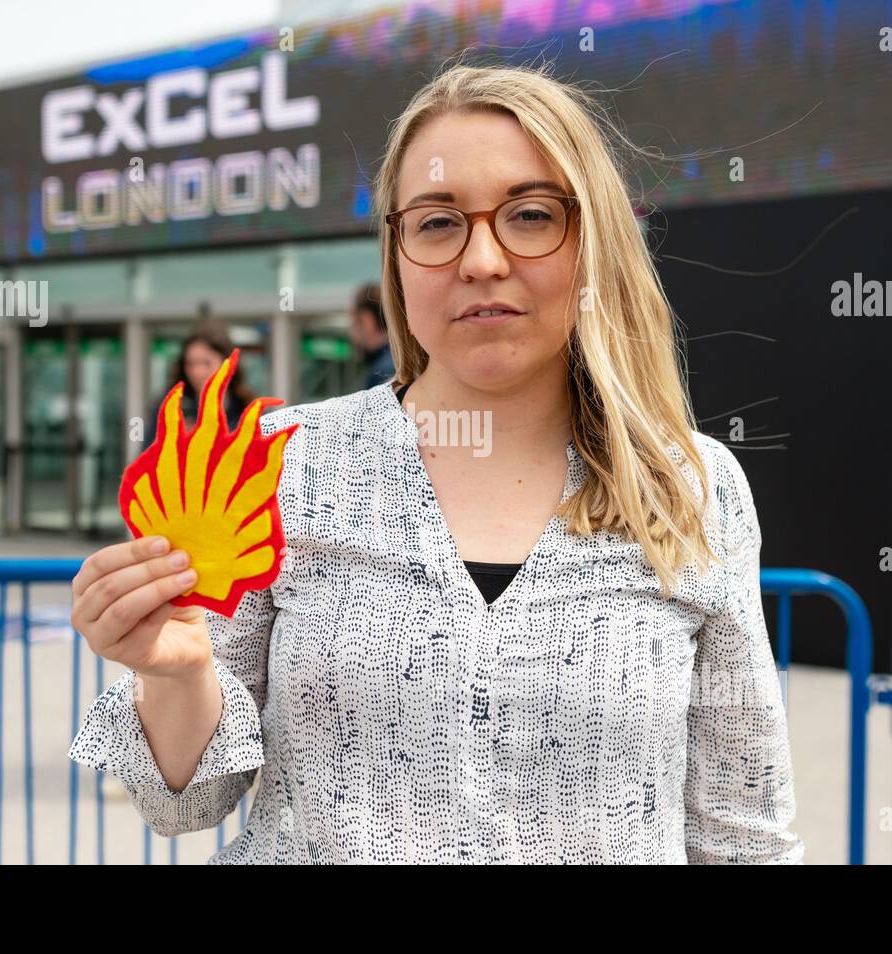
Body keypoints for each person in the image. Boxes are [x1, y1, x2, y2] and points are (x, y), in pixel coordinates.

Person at [68, 59, 804, 864]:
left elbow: (743, 833)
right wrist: (174, 675)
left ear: (593, 240)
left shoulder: (693, 487)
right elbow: (187, 804)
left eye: (529, 215)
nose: (482, 259)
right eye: (438, 222)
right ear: (398, 253)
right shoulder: (285, 468)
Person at [144, 321, 256, 445]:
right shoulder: (169, 410)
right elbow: (145, 460)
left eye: (206, 363)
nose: (197, 372)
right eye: (190, 364)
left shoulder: (251, 412)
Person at [349, 281, 396, 388]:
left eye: (353, 323)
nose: (351, 335)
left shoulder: (381, 373)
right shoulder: (402, 361)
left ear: (367, 320)